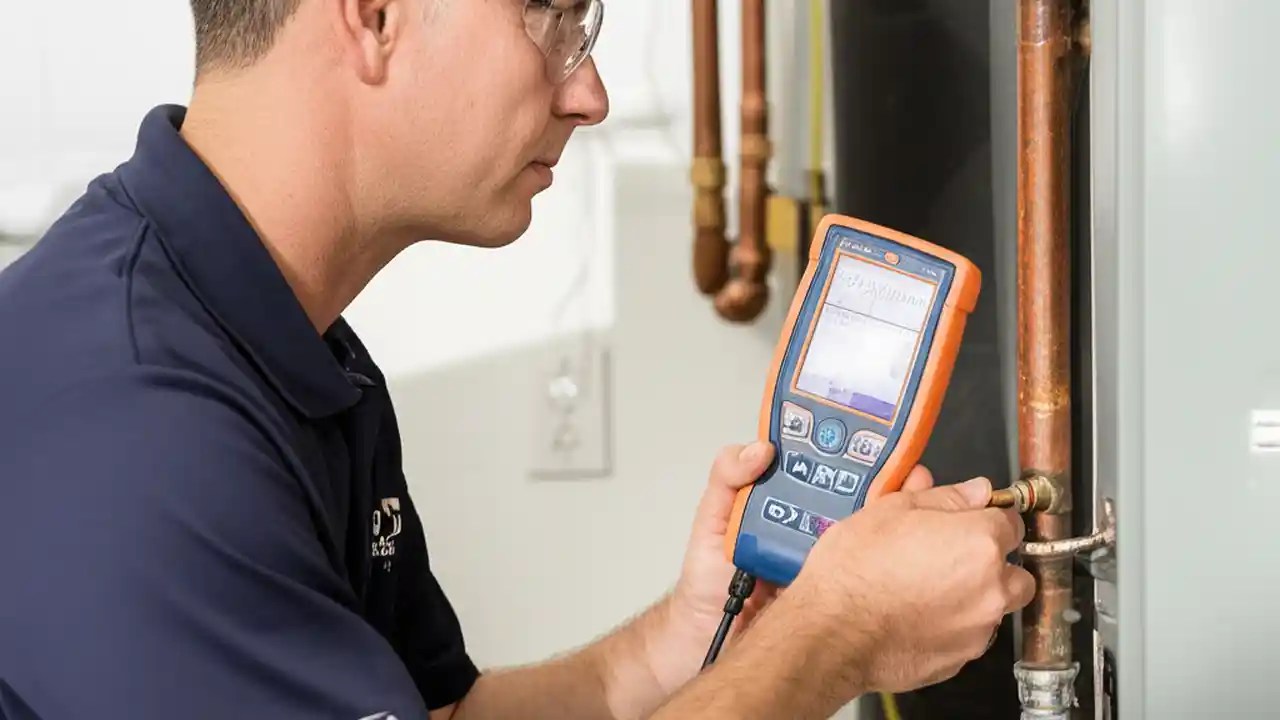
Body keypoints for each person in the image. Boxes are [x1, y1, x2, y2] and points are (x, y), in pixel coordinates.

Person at [0, 1, 1034, 718]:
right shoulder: (135, 428)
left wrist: (680, 639)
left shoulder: (288, 347)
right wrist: (836, 637)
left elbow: (442, 714)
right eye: (551, 20)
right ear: (373, 16)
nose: (587, 95)